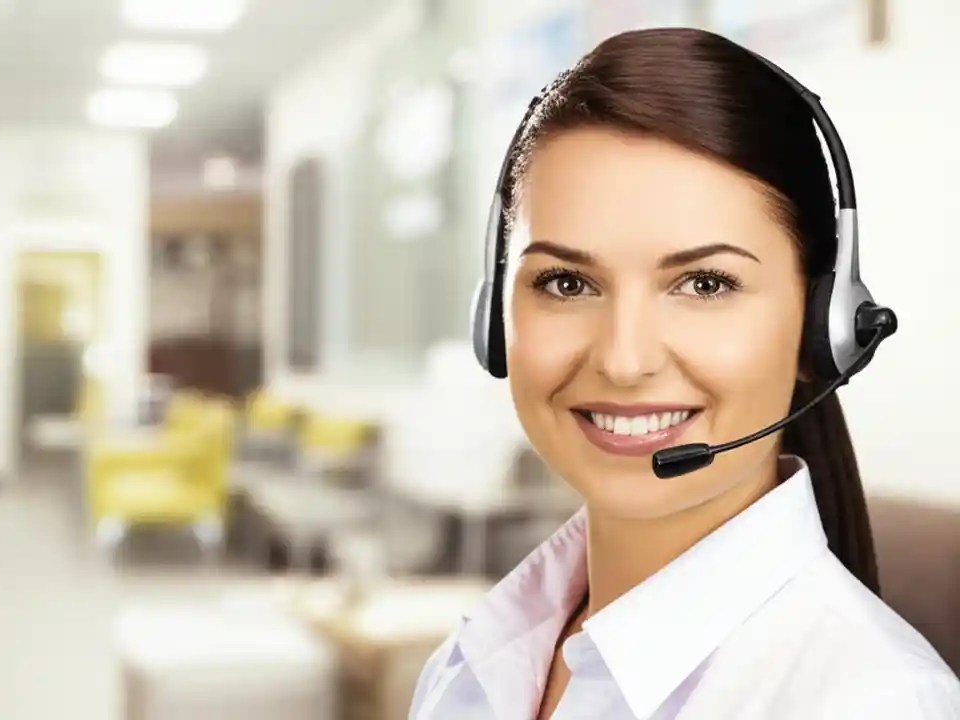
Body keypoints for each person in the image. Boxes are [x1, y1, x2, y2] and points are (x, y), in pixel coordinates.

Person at [410, 28, 959, 719]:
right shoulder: (469, 664)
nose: (623, 359)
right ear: (495, 315)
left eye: (704, 284)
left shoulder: (871, 700)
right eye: (568, 283)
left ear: (824, 330)